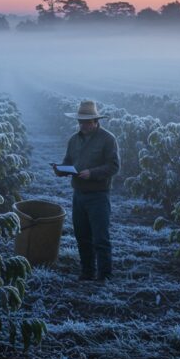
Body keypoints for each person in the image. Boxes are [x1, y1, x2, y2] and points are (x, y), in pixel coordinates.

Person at [52, 100, 120, 281]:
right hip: (78, 195)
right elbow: (68, 161)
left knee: (100, 238)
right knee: (82, 236)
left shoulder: (107, 139)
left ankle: (105, 275)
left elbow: (114, 166)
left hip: (98, 195)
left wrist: (92, 173)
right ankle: (87, 271)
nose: (82, 124)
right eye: (80, 121)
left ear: (96, 121)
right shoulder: (74, 140)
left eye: (86, 121)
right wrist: (60, 170)